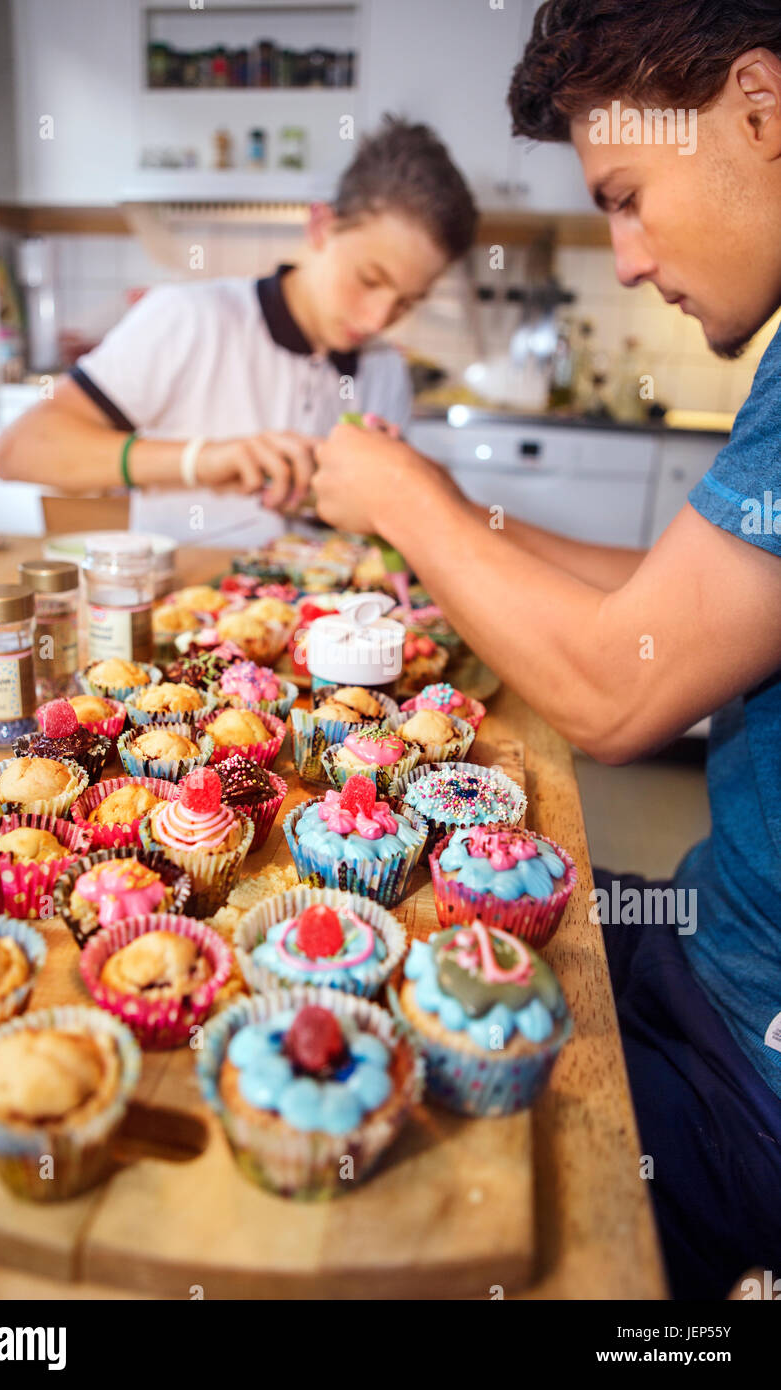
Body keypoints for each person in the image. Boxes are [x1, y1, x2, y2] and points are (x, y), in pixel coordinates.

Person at [313, 1, 781, 1300]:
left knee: (415, 1222)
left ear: (761, 105)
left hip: (748, 1070)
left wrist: (404, 505)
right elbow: (674, 598)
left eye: (626, 195)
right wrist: (453, 511)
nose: (622, 258)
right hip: (707, 950)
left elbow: (614, 691)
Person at [0, 116, 476, 549]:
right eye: (369, 280)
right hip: (185, 625)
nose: (376, 320)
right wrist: (201, 461)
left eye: (408, 302)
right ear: (320, 227)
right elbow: (21, 450)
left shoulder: (384, 369)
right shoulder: (191, 318)